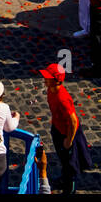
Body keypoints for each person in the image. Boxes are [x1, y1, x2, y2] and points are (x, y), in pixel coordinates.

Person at [38, 63, 91, 194]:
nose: (44, 79)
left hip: (67, 134)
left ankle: (70, 189)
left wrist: (69, 139)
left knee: (70, 165)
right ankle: (64, 179)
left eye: (48, 77)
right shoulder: (51, 90)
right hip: (58, 129)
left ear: (57, 80)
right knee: (64, 159)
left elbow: (73, 121)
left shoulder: (62, 98)